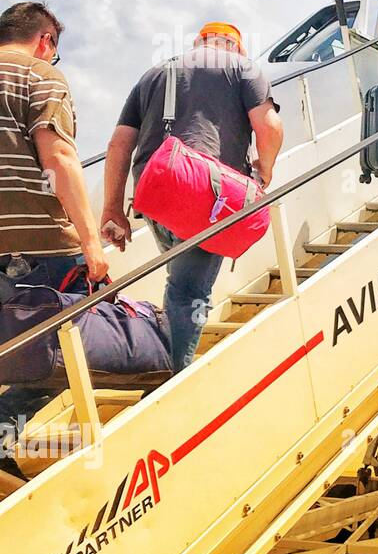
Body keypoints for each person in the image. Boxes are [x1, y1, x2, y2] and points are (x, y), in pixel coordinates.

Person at [100, 22, 284, 373]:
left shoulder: (154, 73)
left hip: (154, 192)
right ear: (236, 47)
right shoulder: (242, 68)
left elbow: (119, 144)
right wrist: (265, 170)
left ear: (198, 42)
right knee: (189, 290)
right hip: (207, 196)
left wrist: (112, 209)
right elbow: (270, 126)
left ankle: (163, 354)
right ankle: (174, 377)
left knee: (181, 279)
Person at [0, 1, 109, 439]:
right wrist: (90, 241)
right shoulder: (40, 75)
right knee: (72, 350)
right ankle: (3, 431)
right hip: (41, 245)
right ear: (45, 40)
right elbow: (59, 159)